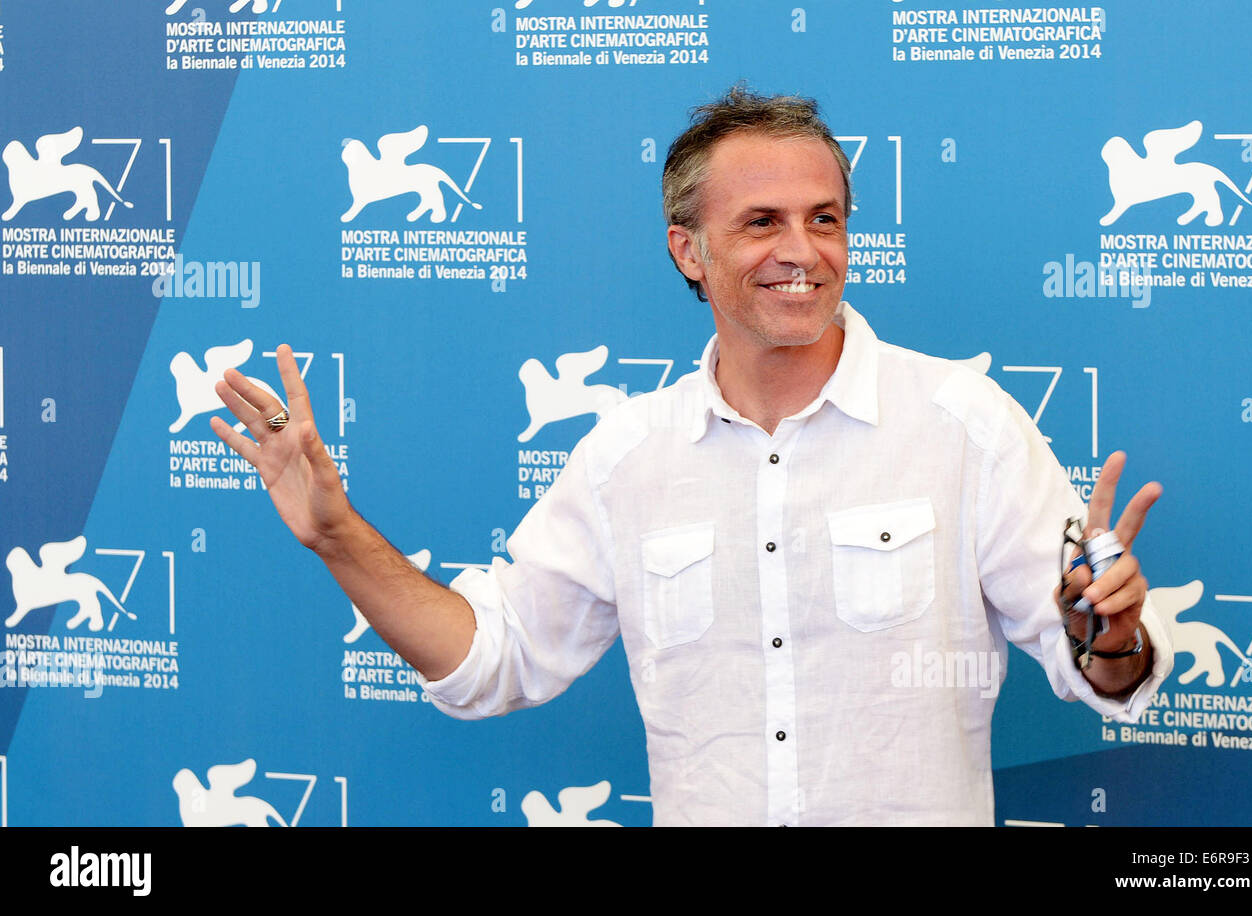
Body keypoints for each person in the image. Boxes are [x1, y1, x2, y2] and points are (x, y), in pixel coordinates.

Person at [212, 86, 1171, 826]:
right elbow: (493, 661)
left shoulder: (964, 421)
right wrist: (337, 537)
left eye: (824, 217)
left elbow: (1099, 669)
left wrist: (1111, 633)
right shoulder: (625, 457)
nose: (804, 249)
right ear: (688, 250)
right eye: (762, 222)